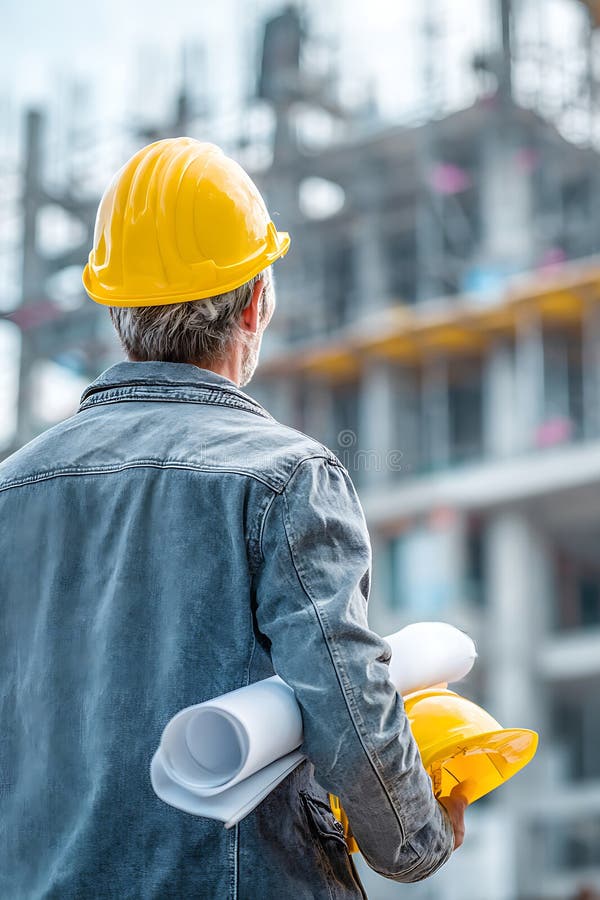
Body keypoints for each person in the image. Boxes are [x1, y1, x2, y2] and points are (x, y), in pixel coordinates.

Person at [0, 138, 466, 899]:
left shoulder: (10, 491)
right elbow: (349, 709)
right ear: (256, 302)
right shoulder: (286, 479)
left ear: (119, 310)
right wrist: (419, 835)